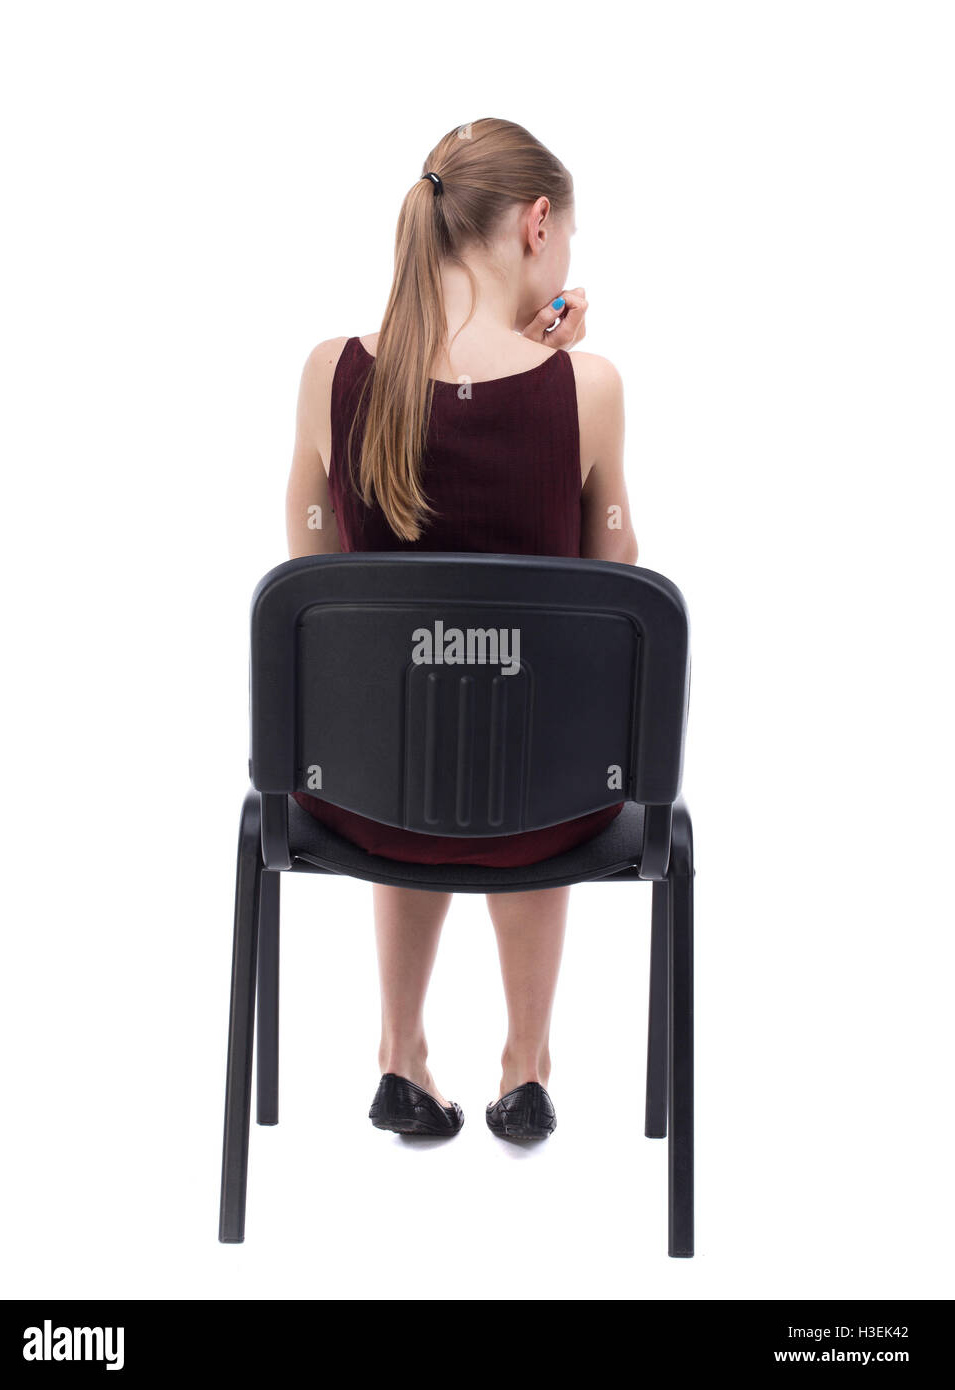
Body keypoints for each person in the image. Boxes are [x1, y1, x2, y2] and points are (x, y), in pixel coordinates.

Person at [285, 118, 638, 1140]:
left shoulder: (329, 371)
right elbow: (612, 595)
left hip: (362, 796)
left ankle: (399, 1049)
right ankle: (525, 1063)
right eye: (564, 240)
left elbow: (312, 579)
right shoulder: (589, 388)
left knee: (414, 718)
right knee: (531, 721)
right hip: (550, 804)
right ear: (536, 226)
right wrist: (544, 375)